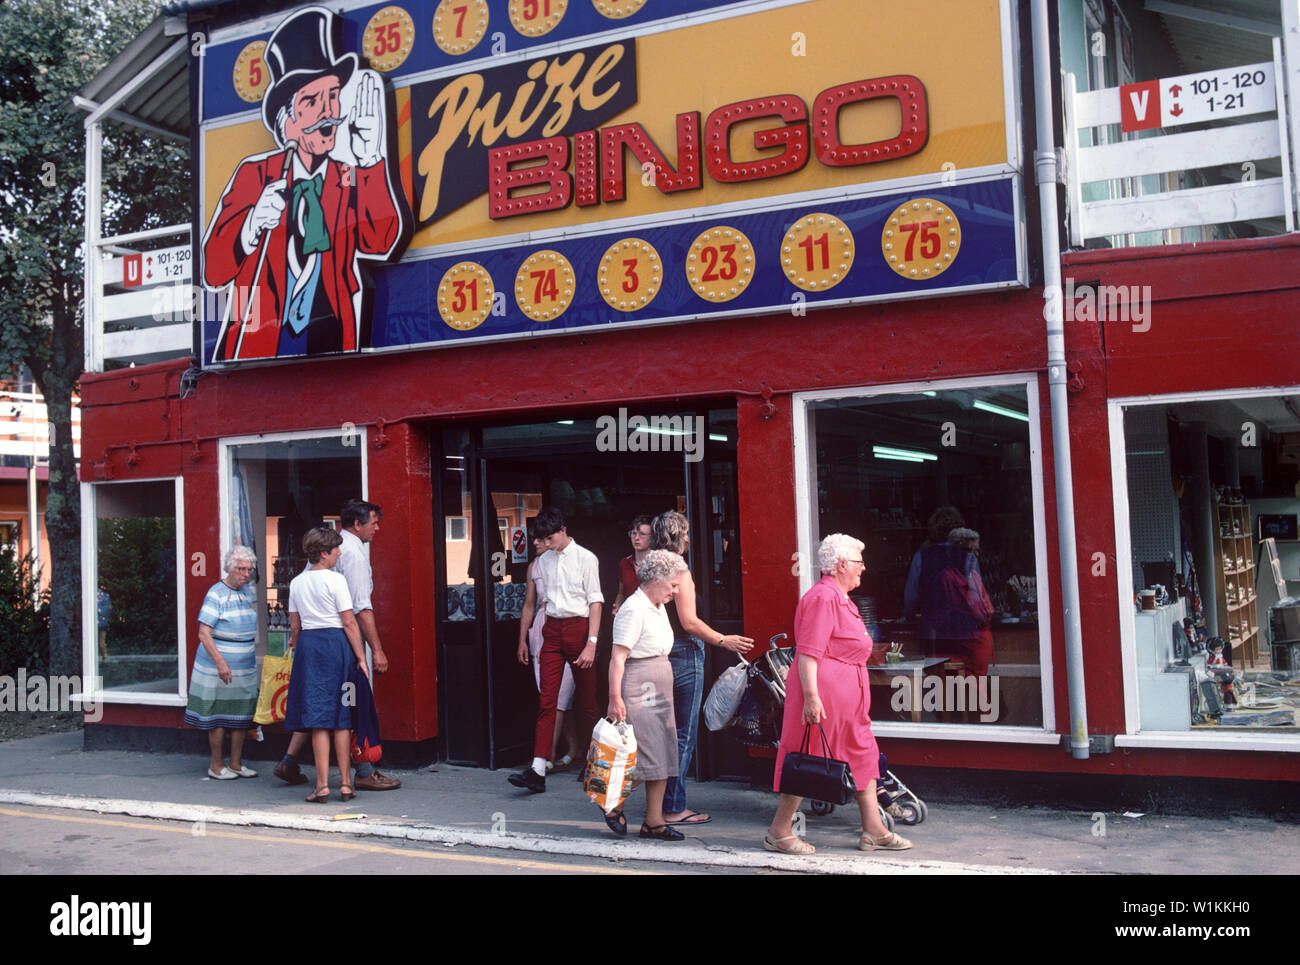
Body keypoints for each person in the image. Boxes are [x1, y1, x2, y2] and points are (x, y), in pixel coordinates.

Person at [202, 7, 402, 361]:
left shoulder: (349, 175)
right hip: (262, 344)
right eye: (311, 101)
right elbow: (214, 272)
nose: (329, 111)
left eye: (333, 95)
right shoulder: (255, 175)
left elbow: (381, 241)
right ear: (287, 122)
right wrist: (250, 225)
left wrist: (371, 158)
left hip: (335, 342)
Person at [766, 534, 913, 855]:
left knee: (864, 754)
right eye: (859, 562)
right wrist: (811, 697)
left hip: (847, 696)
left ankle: (873, 829)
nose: (864, 568)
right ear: (842, 565)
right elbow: (808, 653)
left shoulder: (839, 596)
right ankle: (779, 830)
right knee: (810, 756)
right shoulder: (824, 597)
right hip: (825, 694)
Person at [276, 499, 400, 790]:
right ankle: (362, 772)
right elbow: (359, 610)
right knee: (350, 703)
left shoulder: (311, 565)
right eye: (373, 523)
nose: (377, 528)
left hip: (310, 643)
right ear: (357, 525)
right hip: (339, 642)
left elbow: (296, 623)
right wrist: (374, 650)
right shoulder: (350, 555)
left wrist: (296, 639)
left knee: (317, 703)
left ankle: (294, 764)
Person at [649, 510, 753, 826]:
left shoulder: (649, 567)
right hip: (683, 655)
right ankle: (674, 807)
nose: (690, 539)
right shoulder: (680, 571)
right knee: (682, 734)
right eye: (687, 533)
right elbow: (689, 622)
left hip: (656, 655)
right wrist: (724, 640)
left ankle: (650, 805)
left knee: (658, 735)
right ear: (678, 537)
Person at [509, 508, 602, 794]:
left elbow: (595, 601)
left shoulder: (587, 558)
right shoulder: (543, 561)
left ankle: (595, 763)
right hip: (552, 629)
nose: (546, 544)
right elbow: (536, 601)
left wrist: (592, 643)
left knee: (587, 702)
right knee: (547, 700)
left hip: (578, 629)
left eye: (550, 538)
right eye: (543, 540)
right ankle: (537, 769)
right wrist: (525, 638)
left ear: (563, 529)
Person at [605, 550, 690, 841]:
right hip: (640, 686)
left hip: (658, 681)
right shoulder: (634, 608)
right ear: (655, 579)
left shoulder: (655, 605)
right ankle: (611, 801)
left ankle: (653, 821)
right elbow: (617, 657)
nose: (675, 591)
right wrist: (615, 698)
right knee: (648, 753)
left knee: (664, 752)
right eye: (672, 585)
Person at [285, 526, 369, 803]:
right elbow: (348, 622)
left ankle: (321, 786)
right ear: (324, 553)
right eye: (335, 550)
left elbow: (294, 627)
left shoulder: (297, 582)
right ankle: (345, 783)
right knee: (341, 717)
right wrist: (360, 657)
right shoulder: (336, 581)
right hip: (336, 647)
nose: (339, 553)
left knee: (318, 719)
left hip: (309, 648)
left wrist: (295, 645)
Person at [185, 546, 262, 779]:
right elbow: (203, 633)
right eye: (240, 569)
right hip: (217, 666)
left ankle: (236, 764)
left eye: (249, 569)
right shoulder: (216, 593)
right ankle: (216, 765)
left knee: (241, 713)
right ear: (229, 568)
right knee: (217, 715)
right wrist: (220, 662)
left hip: (243, 665)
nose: (245, 574)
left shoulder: (247, 593)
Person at [516, 528, 579, 769]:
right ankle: (574, 749)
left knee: (560, 697)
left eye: (541, 539)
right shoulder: (534, 567)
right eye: (535, 538)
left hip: (566, 627)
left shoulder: (570, 561)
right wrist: (522, 639)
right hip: (541, 630)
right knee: (555, 698)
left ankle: (545, 758)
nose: (536, 543)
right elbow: (529, 605)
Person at [611, 515, 653, 615]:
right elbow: (621, 593)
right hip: (630, 617)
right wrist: (617, 606)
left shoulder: (659, 563)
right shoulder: (624, 563)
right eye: (633, 533)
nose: (636, 538)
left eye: (642, 534)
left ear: (652, 537)